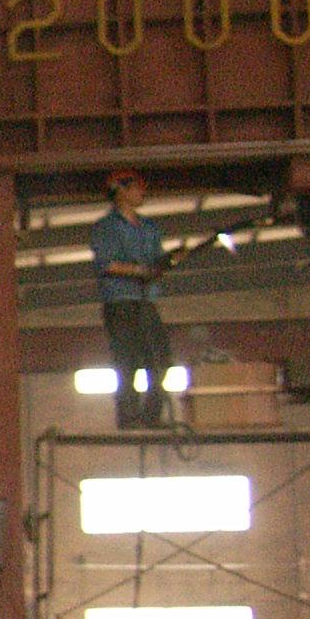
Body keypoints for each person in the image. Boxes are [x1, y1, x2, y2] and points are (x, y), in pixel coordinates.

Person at [90, 171, 175, 429]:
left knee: (160, 359)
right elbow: (106, 264)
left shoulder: (149, 227)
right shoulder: (106, 228)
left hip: (145, 301)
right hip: (120, 302)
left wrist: (166, 263)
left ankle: (151, 416)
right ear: (121, 191)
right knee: (127, 361)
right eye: (137, 188)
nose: (142, 192)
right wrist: (139, 270)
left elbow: (157, 261)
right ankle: (129, 416)